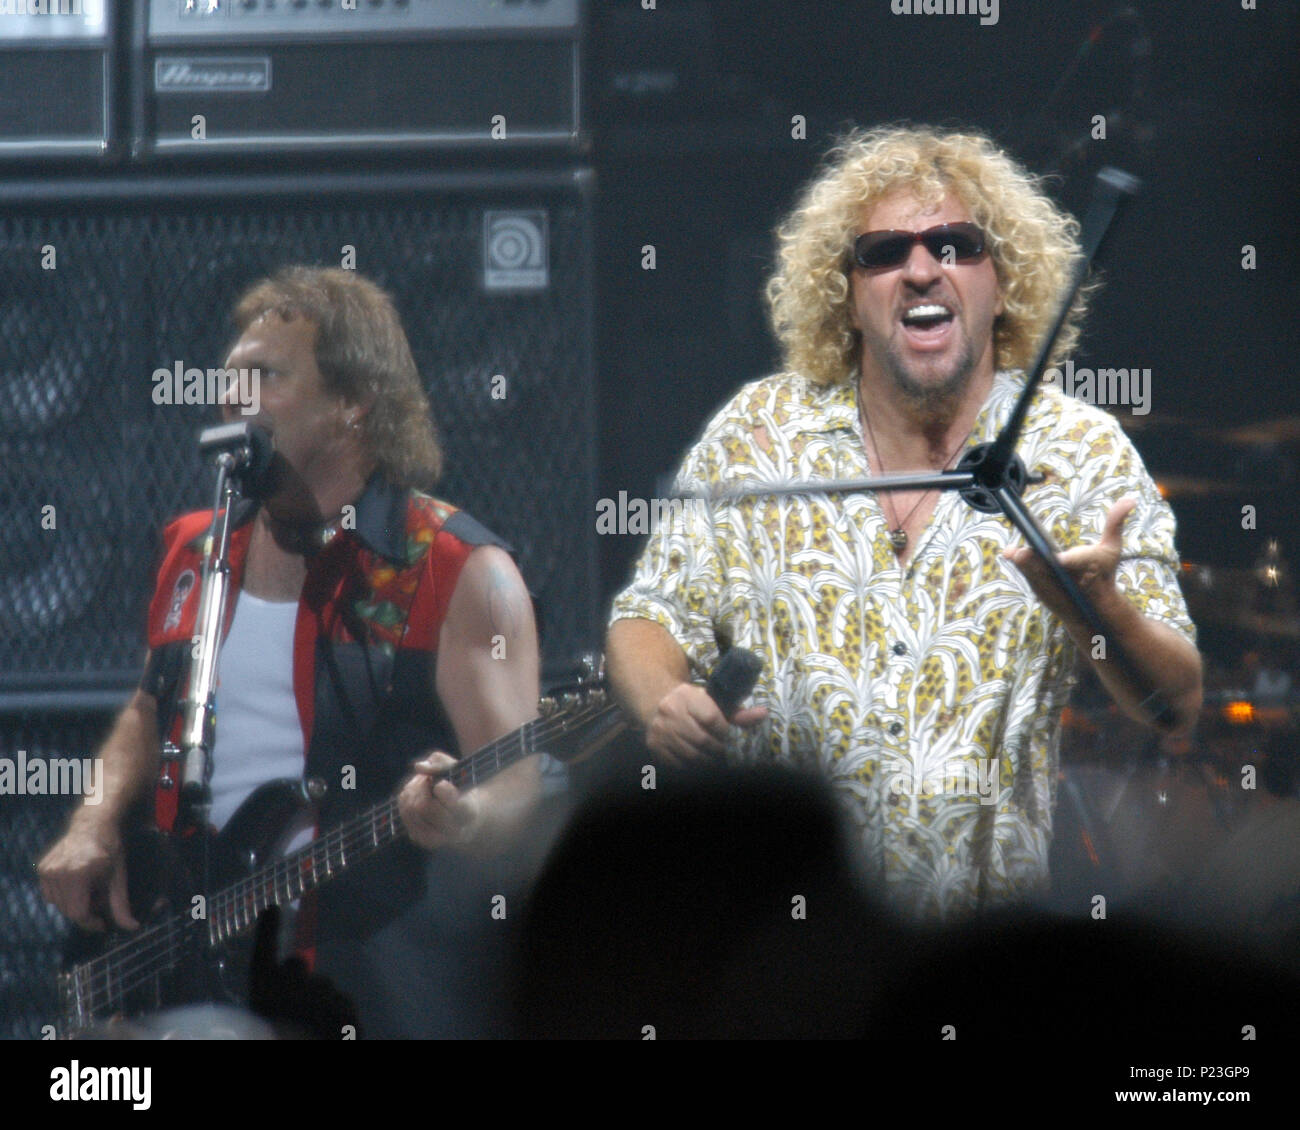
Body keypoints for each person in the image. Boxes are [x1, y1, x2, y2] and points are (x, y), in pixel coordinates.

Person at [606, 125, 1203, 921]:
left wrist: (1097, 608)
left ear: (1005, 282)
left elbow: (1176, 702)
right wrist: (663, 705)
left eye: (955, 244)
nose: (922, 269)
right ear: (846, 293)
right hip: (771, 953)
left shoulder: (1080, 453)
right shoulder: (759, 435)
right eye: (884, 252)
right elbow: (648, 616)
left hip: (970, 966)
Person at [38, 266, 541, 1035]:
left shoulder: (457, 570)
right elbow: (148, 709)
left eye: (264, 377)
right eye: (227, 378)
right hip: (179, 963)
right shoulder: (194, 552)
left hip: (355, 983)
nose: (231, 397)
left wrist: (465, 817)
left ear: (353, 401)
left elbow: (517, 782)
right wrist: (95, 820)